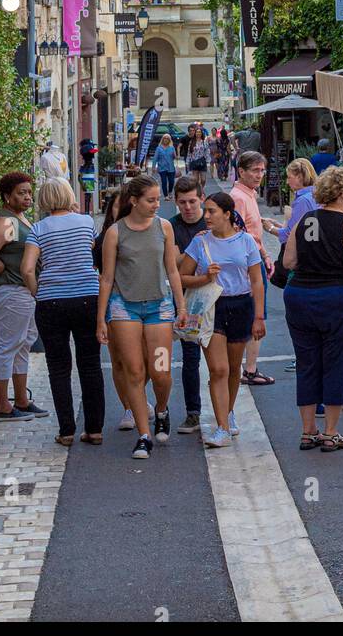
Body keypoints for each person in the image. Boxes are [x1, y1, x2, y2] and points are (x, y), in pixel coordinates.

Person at [96, 173, 187, 458]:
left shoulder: (164, 228)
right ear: (133, 201)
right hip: (124, 308)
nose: (157, 204)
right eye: (151, 200)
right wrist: (101, 318)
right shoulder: (115, 233)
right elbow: (107, 278)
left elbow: (172, 269)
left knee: (161, 372)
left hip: (159, 307)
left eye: (158, 199)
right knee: (134, 371)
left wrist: (181, 306)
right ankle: (144, 434)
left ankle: (161, 409)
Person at [282, 165, 343, 452]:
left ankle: (308, 431)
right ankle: (331, 432)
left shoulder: (304, 220)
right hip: (335, 299)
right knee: (336, 363)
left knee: (307, 364)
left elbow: (289, 263)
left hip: (300, 298)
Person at [179, 191, 267, 447]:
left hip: (241, 304)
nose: (206, 216)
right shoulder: (200, 242)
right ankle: (222, 428)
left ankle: (227, 412)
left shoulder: (246, 241)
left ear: (227, 214)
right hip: (211, 306)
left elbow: (256, 281)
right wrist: (204, 276)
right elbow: (181, 277)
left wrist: (259, 316)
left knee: (232, 369)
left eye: (211, 211)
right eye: (205, 211)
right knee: (218, 369)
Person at [21, 178, 104, 447]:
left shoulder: (38, 229)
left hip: (52, 303)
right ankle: (94, 429)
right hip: (87, 298)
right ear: (69, 195)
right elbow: (90, 253)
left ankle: (67, 430)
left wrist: (37, 291)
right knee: (90, 365)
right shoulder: (86, 223)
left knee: (58, 368)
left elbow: (26, 269)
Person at [0, 172, 48, 422]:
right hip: (12, 289)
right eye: (21, 192)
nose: (27, 196)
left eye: (29, 192)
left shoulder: (18, 219)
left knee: (23, 343)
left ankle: (21, 400)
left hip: (22, 291)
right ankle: (2, 406)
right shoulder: (7, 222)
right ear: (7, 196)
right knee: (8, 346)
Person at [169, 175, 208, 433]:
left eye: (192, 201)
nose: (188, 207)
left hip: (217, 297)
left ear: (201, 199)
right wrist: (197, 244)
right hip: (186, 298)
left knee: (221, 360)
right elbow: (175, 265)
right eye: (182, 203)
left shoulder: (214, 218)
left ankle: (227, 414)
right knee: (190, 357)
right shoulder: (170, 226)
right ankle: (193, 413)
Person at [232, 150, 275, 385]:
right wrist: (257, 258)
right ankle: (248, 369)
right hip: (248, 263)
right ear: (242, 171)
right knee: (255, 315)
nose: (260, 174)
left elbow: (254, 233)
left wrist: (265, 255)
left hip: (255, 259)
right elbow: (240, 233)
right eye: (255, 170)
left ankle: (250, 367)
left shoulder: (248, 194)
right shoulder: (239, 196)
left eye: (262, 170)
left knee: (256, 315)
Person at [186, 126, 210, 193]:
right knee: (195, 180)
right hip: (194, 162)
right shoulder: (192, 142)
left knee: (203, 179)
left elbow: (207, 150)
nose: (198, 133)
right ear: (195, 133)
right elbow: (189, 152)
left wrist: (207, 159)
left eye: (199, 132)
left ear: (201, 133)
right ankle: (198, 191)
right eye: (197, 132)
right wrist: (188, 161)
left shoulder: (204, 141)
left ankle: (201, 188)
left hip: (202, 162)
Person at [155, 134, 177, 198]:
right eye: (165, 138)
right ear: (162, 139)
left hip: (171, 167)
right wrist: (154, 167)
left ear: (169, 140)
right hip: (162, 167)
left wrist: (174, 155)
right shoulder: (159, 148)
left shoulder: (172, 147)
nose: (166, 139)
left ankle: (170, 192)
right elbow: (155, 158)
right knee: (164, 182)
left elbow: (174, 157)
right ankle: (165, 195)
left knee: (171, 181)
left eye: (167, 138)